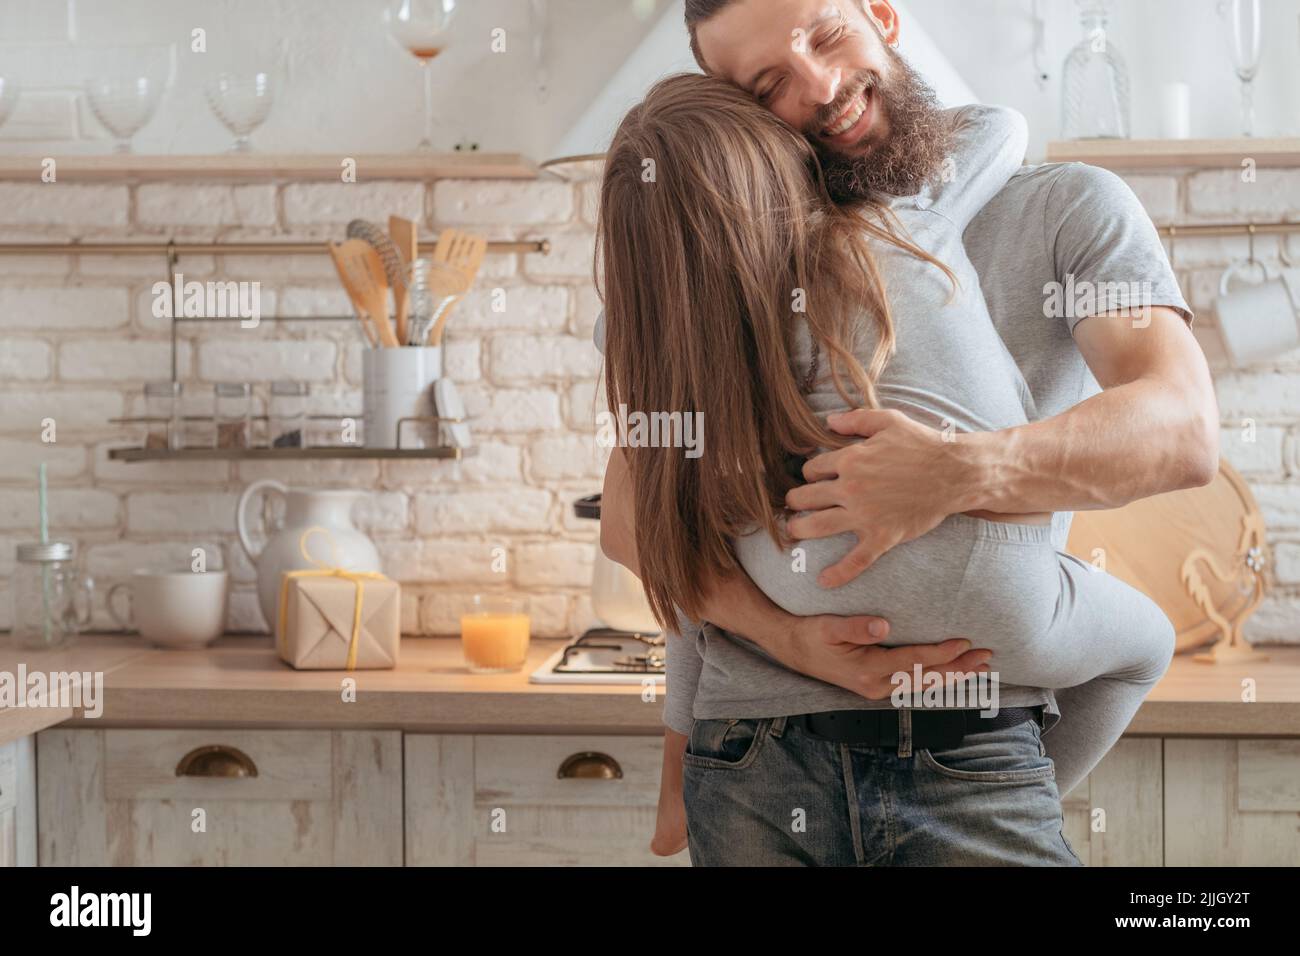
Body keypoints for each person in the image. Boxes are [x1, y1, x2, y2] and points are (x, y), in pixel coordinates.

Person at [598, 0, 1218, 866]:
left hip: (971, 741)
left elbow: (1183, 429)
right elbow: (636, 519)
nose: (817, 86)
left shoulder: (1068, 209)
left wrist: (956, 473)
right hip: (749, 757)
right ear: (741, 113)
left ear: (882, 12)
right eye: (770, 82)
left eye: (823, 32)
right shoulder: (738, 253)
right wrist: (786, 637)